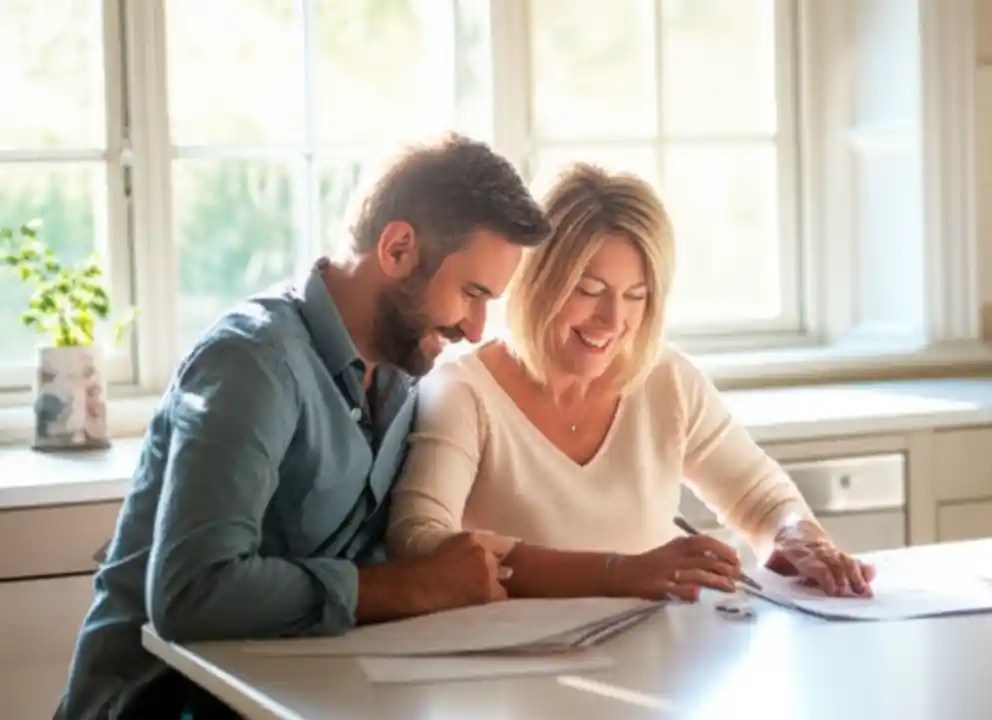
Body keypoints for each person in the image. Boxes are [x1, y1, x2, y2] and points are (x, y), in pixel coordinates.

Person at [56, 135, 550, 719]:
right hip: (157, 704)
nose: (475, 328)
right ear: (397, 250)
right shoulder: (252, 362)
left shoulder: (402, 378)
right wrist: (413, 586)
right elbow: (192, 594)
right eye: (471, 294)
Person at [387, 163, 876, 601]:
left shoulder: (667, 380)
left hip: (653, 669)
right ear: (537, 281)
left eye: (636, 296)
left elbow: (760, 497)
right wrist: (616, 573)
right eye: (589, 290)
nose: (612, 320)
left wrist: (799, 536)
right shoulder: (464, 391)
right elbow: (421, 541)